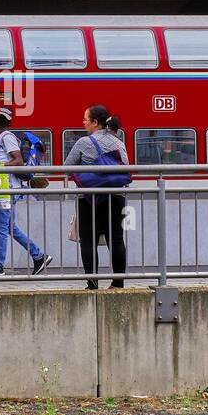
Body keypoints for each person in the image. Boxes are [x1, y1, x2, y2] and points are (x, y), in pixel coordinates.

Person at [65, 105, 130, 290]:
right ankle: (118, 283)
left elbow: (67, 167)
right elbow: (124, 166)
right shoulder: (119, 143)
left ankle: (92, 284)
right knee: (116, 239)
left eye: (85, 119)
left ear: (95, 123)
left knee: (88, 240)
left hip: (90, 199)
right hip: (116, 197)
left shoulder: (84, 142)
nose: (83, 122)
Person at [0, 107, 52, 276]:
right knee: (10, 228)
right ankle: (38, 257)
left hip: (7, 190)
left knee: (1, 228)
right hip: (4, 188)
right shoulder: (3, 138)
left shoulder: (7, 137)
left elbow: (18, 160)